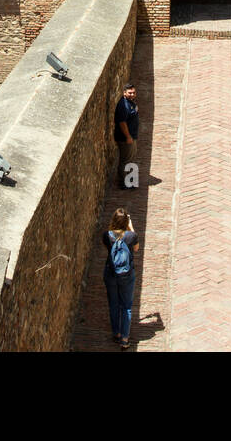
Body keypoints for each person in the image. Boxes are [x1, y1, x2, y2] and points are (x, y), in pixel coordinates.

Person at [102, 208, 139, 349]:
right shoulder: (131, 236)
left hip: (111, 273)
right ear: (126, 223)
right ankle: (125, 338)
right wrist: (130, 226)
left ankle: (116, 333)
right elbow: (136, 249)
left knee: (113, 303)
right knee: (126, 306)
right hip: (127, 274)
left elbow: (107, 245)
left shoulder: (107, 235)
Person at [113, 82, 139, 189]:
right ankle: (124, 183)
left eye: (134, 92)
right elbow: (122, 123)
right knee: (126, 160)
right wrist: (128, 136)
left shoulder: (130, 102)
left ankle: (130, 181)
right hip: (125, 138)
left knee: (131, 159)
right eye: (130, 93)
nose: (132, 94)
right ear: (124, 93)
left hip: (132, 136)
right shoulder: (123, 105)